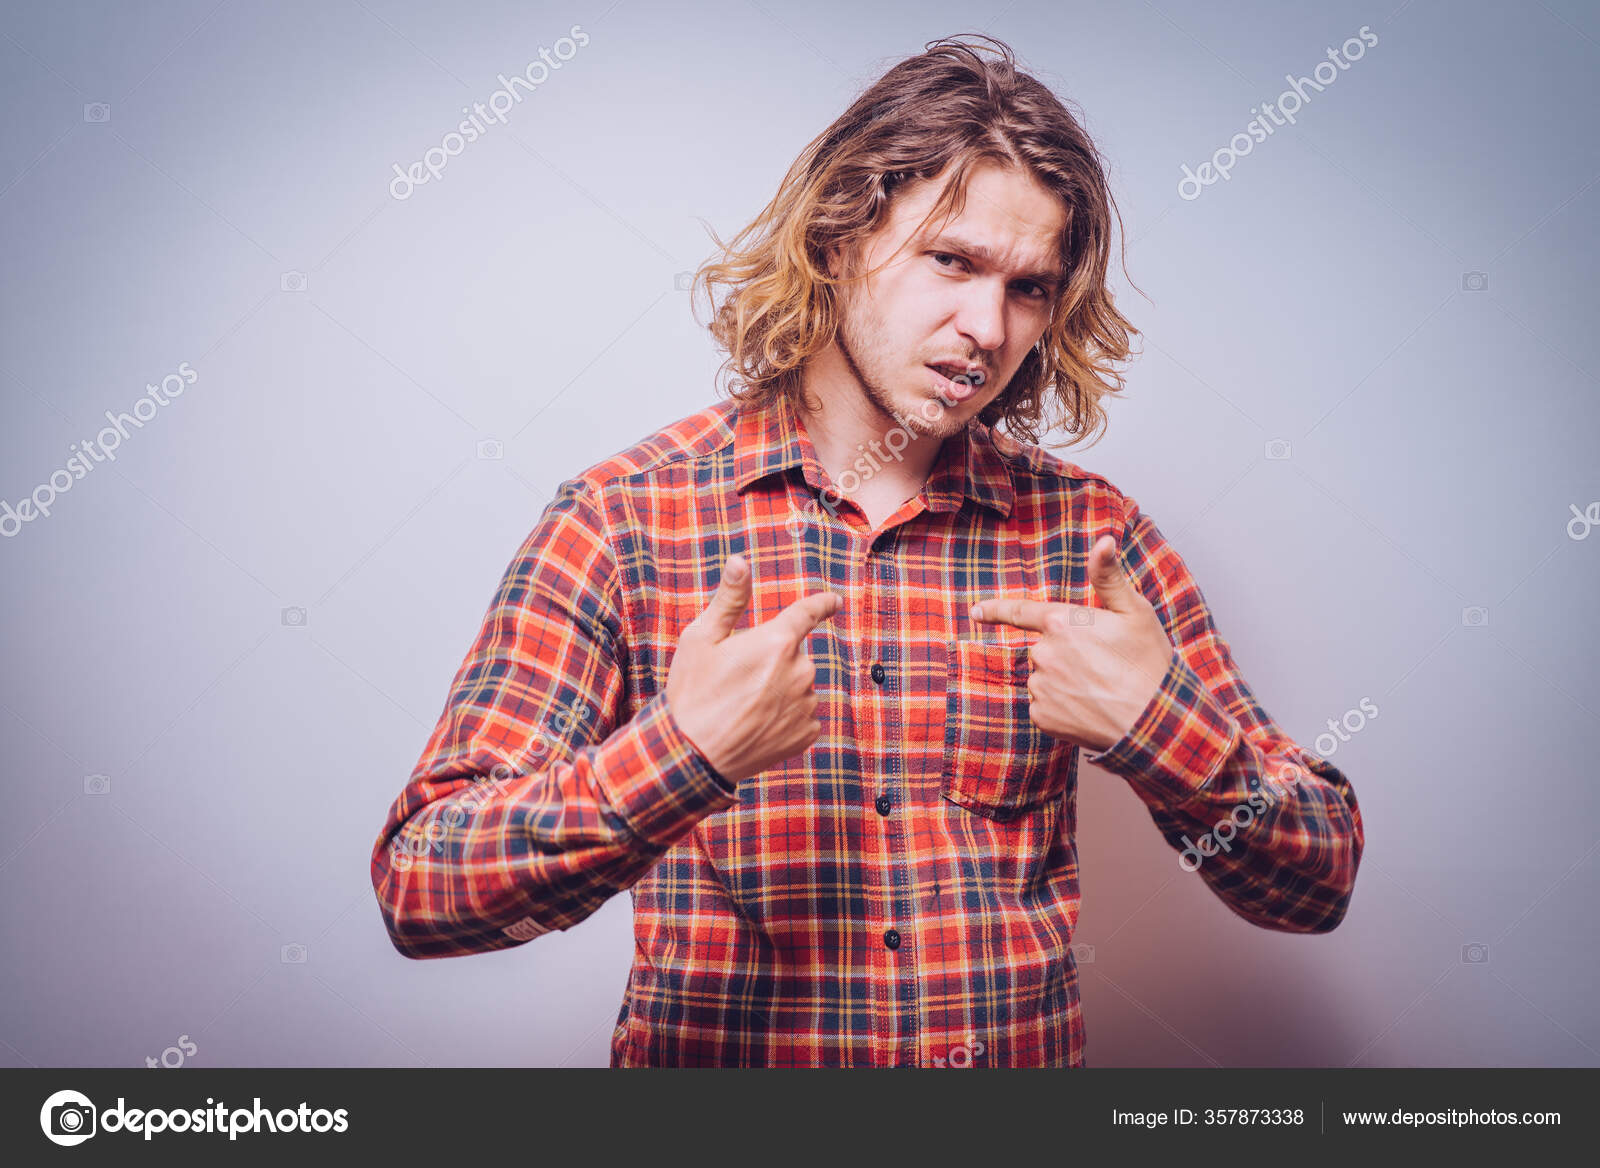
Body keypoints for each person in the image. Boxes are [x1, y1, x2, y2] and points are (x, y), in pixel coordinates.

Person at [370, 33, 1363, 1067]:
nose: (985, 324)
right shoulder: (627, 519)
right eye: (952, 259)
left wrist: (1162, 729)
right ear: (838, 238)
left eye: (1028, 287)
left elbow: (1318, 880)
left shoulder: (1087, 538)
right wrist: (680, 755)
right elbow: (424, 890)